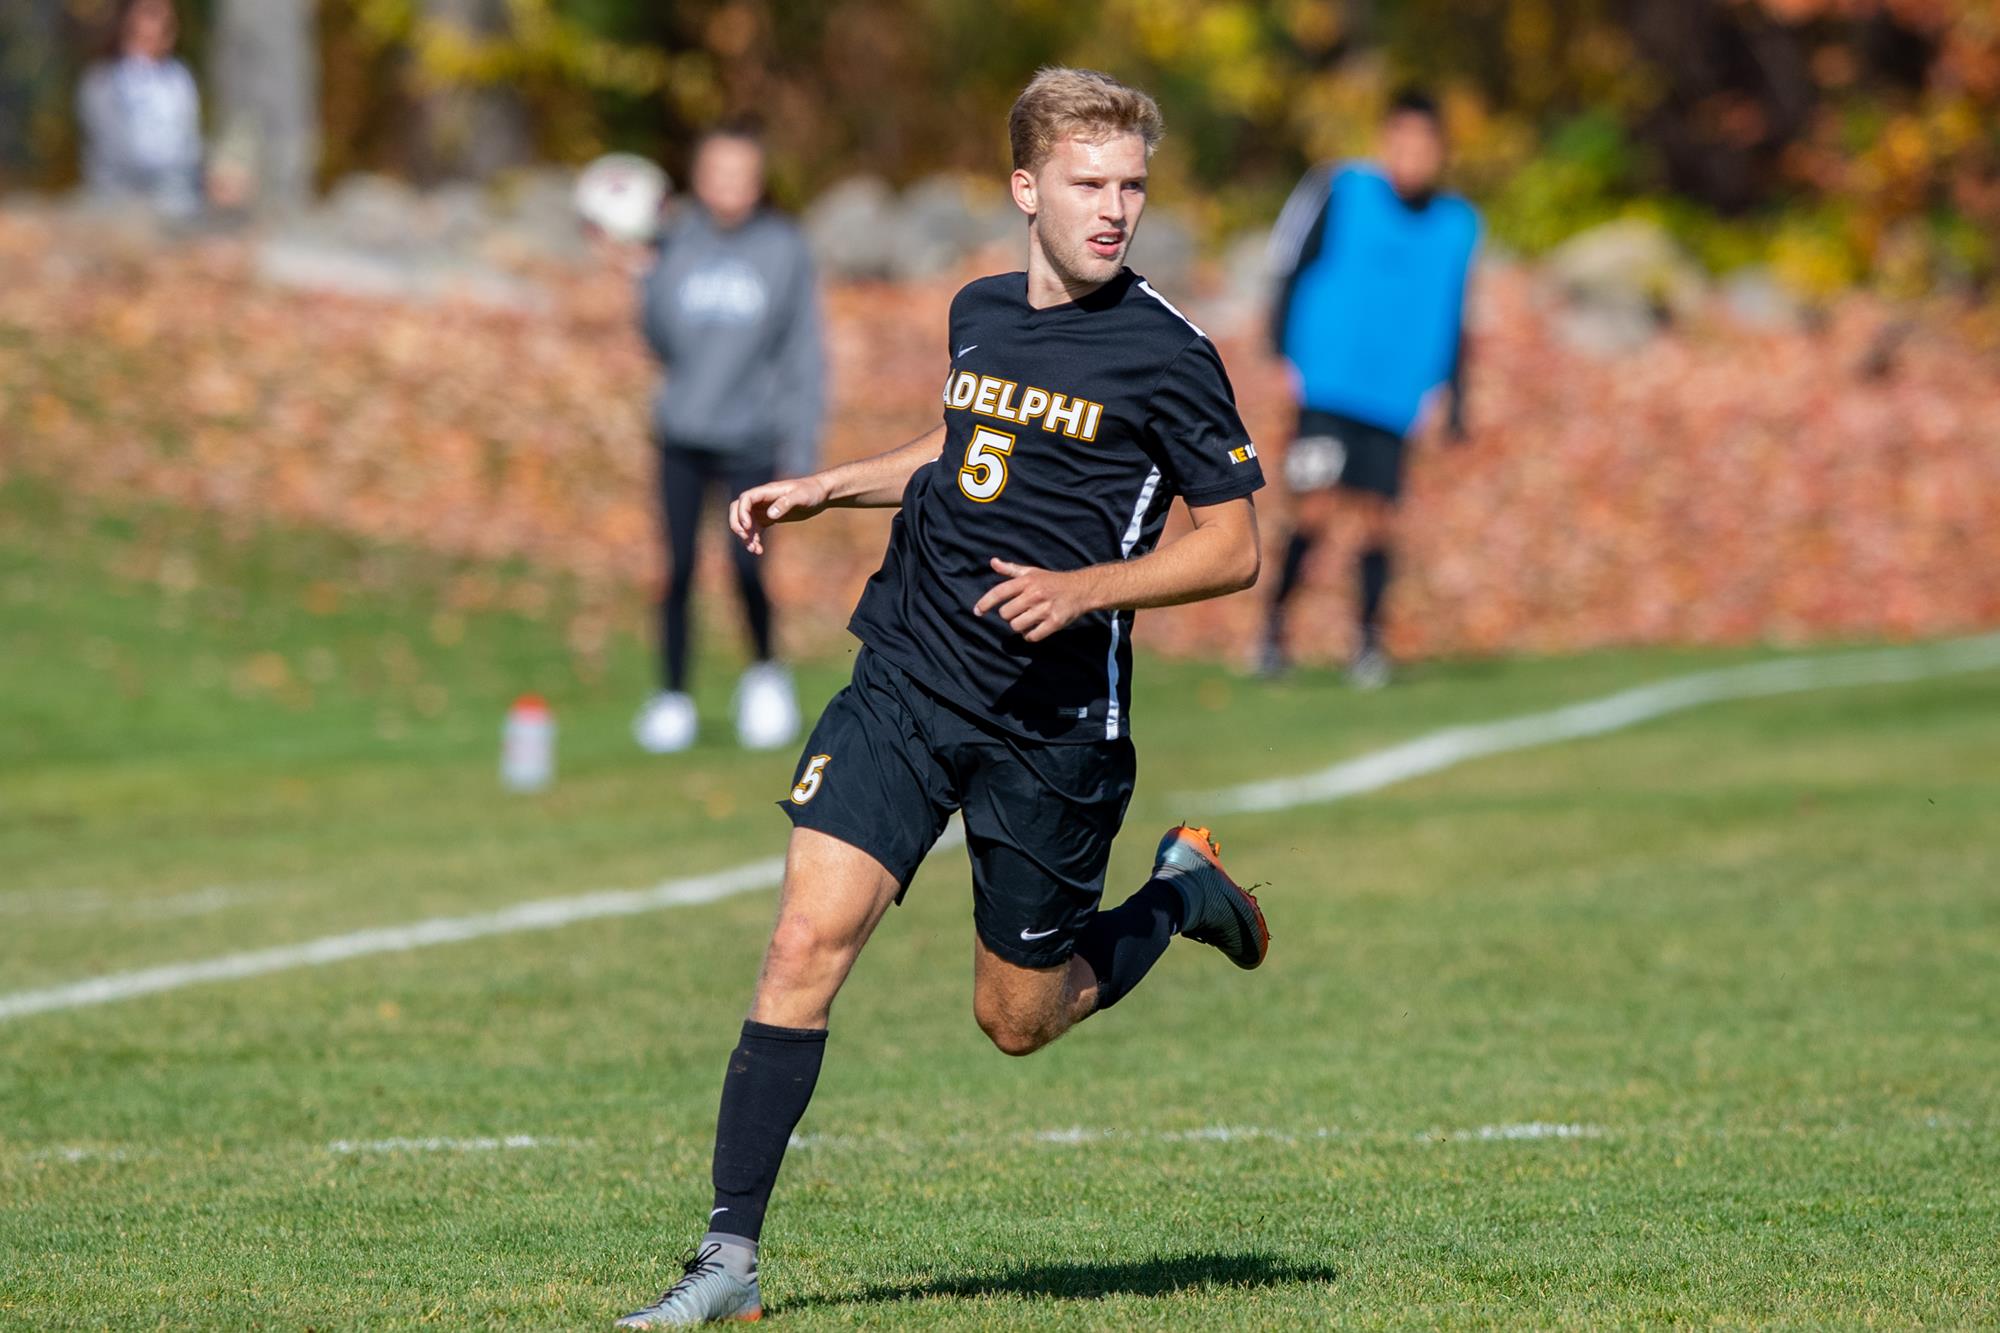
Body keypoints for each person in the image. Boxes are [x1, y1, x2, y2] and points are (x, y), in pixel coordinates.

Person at [614, 67, 1272, 1327]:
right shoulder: (977, 309)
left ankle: (1180, 894)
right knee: (802, 941)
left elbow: (1231, 544)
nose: (1114, 209)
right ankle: (729, 1263)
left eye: (1131, 186)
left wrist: (1087, 589)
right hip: (908, 674)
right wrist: (828, 484)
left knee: (1016, 1019)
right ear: (1024, 189)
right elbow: (963, 441)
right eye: (1089, 184)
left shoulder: (1167, 353)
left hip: (1052, 725)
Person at [1258, 88, 1480, 688]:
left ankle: (1368, 644)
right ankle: (1275, 631)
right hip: (1326, 384)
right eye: (1401, 142)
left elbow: (1458, 315)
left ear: (1441, 152)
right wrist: (1280, 350)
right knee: (1315, 506)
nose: (1411, 156)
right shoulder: (1340, 187)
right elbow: (1287, 261)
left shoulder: (1459, 224)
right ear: (1386, 141)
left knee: (1379, 520)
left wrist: (1453, 398)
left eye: (1424, 145)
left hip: (1396, 395)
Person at [634, 122, 823, 753]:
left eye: (741, 174)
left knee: (746, 565)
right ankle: (672, 696)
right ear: (697, 176)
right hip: (681, 434)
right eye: (717, 172)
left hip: (752, 437)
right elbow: (658, 339)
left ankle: (766, 675)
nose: (728, 186)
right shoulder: (673, 241)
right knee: (678, 567)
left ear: (759, 180)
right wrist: (641, 274)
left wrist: (799, 452)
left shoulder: (784, 248)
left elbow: (802, 355)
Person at [76, 0, 204, 220]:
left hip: (178, 201)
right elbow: (118, 152)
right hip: (120, 205)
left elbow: (189, 142)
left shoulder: (178, 78)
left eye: (167, 19)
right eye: (152, 14)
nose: (163, 25)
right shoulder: (103, 81)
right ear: (127, 20)